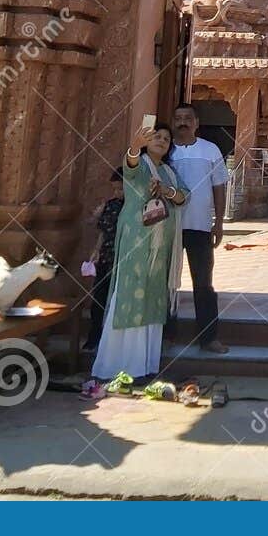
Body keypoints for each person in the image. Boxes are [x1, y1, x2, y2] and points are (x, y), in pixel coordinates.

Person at [92, 122, 188, 382]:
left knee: (152, 298)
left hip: (160, 247)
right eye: (157, 136)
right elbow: (130, 167)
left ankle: (144, 365)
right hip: (136, 241)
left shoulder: (168, 171)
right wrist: (135, 147)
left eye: (166, 139)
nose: (162, 140)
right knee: (131, 294)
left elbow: (183, 197)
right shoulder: (140, 163)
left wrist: (167, 190)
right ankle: (118, 365)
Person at [167, 102, 229, 353]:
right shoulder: (164, 149)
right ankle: (165, 335)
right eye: (178, 118)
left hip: (200, 227)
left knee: (203, 283)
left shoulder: (210, 150)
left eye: (188, 118)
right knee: (165, 283)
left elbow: (219, 186)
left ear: (196, 123)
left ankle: (208, 337)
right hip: (167, 227)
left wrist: (219, 222)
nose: (183, 122)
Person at [84, 167, 124, 350]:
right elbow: (103, 230)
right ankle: (94, 335)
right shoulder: (111, 205)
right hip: (107, 257)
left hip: (124, 259)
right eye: (115, 189)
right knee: (99, 297)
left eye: (121, 189)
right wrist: (96, 249)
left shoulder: (136, 206)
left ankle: (115, 341)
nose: (117, 193)